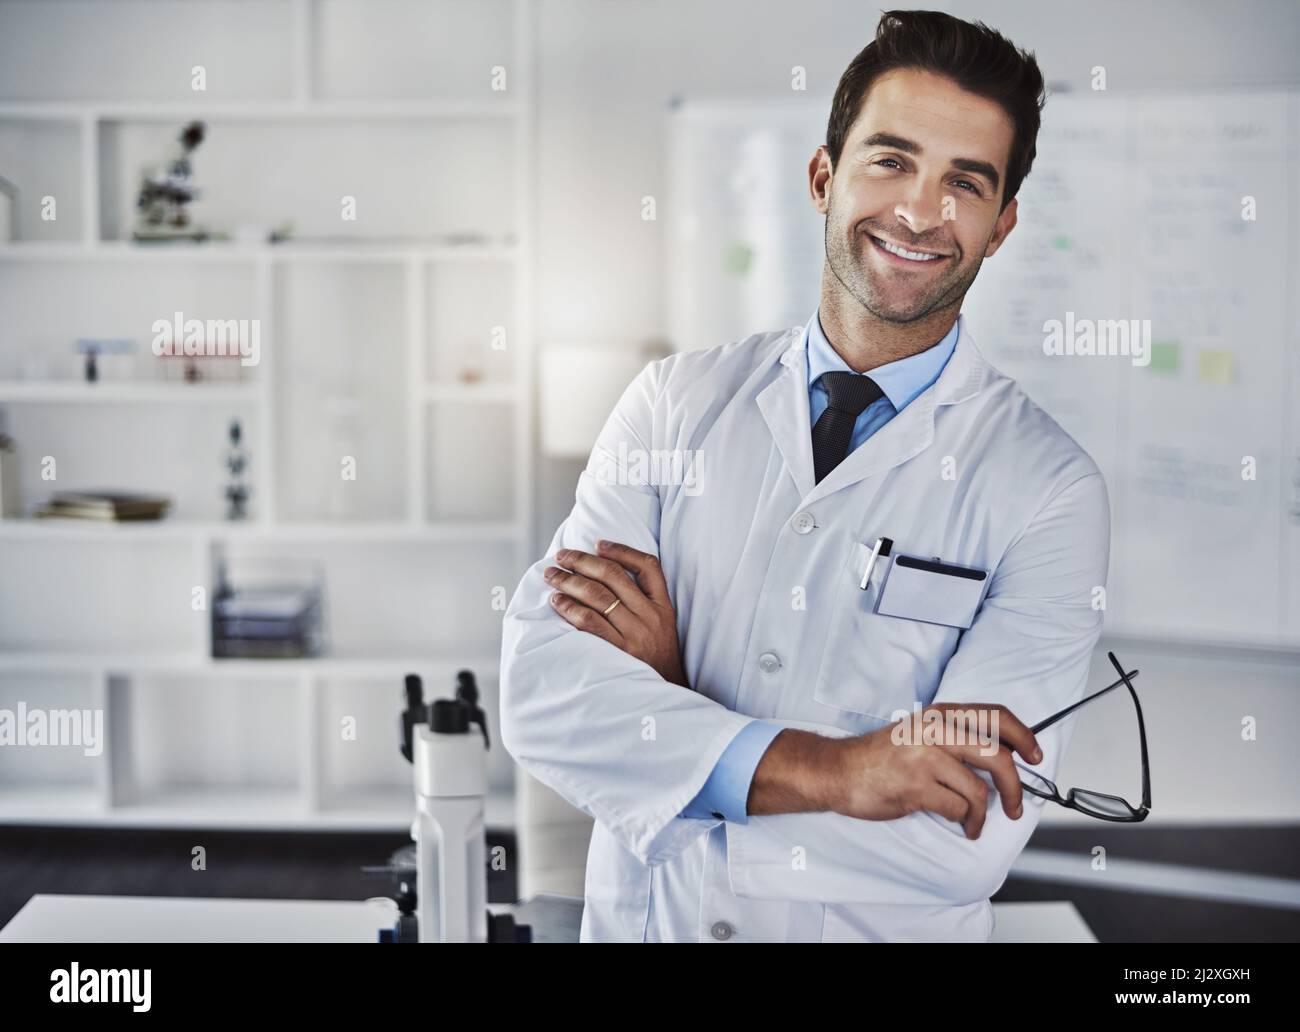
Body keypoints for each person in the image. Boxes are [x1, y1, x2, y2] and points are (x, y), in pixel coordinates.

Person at [501, 9, 1109, 942]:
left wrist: (676, 718)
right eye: (891, 161)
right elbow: (546, 695)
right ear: (824, 177)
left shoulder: (1049, 490)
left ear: (1001, 226)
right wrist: (843, 770)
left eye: (965, 183)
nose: (918, 211)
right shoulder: (673, 403)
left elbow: (967, 834)